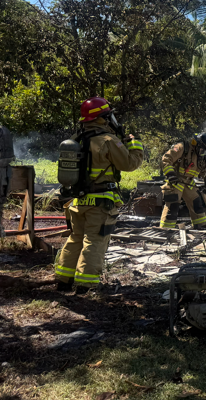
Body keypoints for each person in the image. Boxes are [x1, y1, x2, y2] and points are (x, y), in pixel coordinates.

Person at [55, 97, 144, 292]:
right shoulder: (107, 140)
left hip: (78, 201)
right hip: (100, 202)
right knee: (94, 240)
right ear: (103, 118)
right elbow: (129, 164)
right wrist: (135, 145)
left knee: (76, 238)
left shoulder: (77, 140)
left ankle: (63, 280)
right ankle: (85, 285)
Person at [159, 133, 206, 230]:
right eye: (201, 149)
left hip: (188, 183)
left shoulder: (199, 155)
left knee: (197, 202)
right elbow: (166, 159)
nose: (202, 152)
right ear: (196, 144)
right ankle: (166, 229)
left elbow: (205, 171)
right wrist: (170, 174)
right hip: (175, 181)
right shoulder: (181, 148)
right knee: (173, 205)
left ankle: (200, 225)